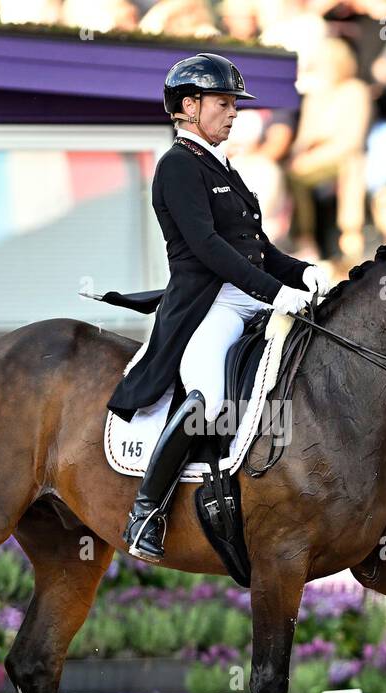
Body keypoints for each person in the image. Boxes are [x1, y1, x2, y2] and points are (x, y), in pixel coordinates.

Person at [106, 52, 332, 562]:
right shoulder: (178, 167)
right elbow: (210, 249)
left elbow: (259, 248)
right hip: (211, 306)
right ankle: (147, 511)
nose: (234, 113)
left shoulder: (223, 167)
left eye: (236, 104)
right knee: (208, 399)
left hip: (249, 297)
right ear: (189, 105)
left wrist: (301, 272)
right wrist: (275, 293)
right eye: (224, 103)